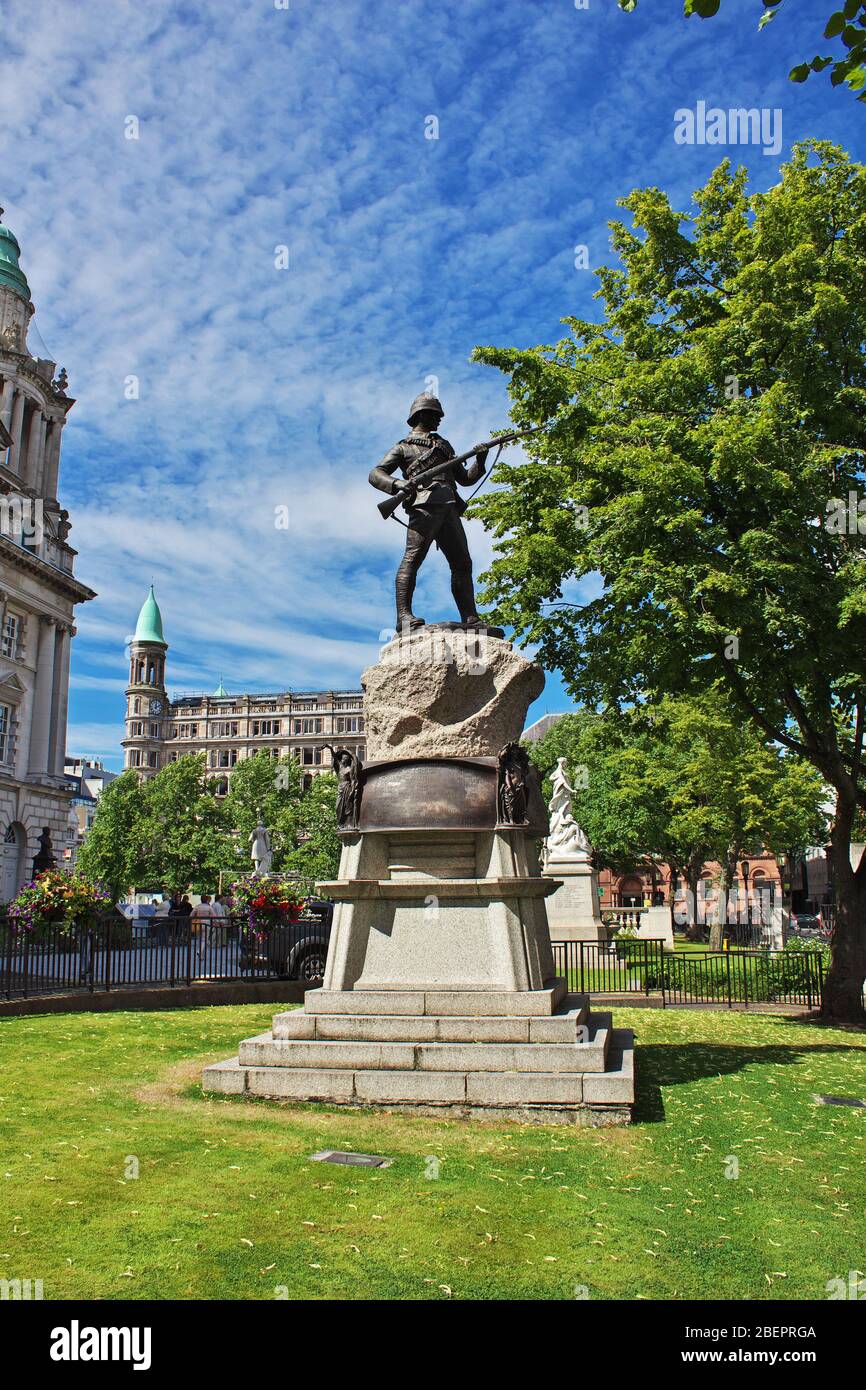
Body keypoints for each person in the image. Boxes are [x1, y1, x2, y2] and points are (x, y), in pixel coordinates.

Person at [368, 393, 489, 630]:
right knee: (413, 558)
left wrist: (480, 460)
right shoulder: (403, 448)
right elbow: (375, 474)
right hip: (424, 506)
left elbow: (465, 480)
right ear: (421, 415)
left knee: (463, 563)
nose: (440, 420)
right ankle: (404, 617)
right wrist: (397, 484)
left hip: (449, 506)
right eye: (436, 415)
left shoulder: (444, 446)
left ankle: (471, 618)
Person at [190, 894, 214, 971]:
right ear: (207, 900)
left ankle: (201, 956)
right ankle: (199, 951)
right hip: (207, 923)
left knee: (199, 939)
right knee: (205, 939)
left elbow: (191, 915)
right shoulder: (209, 907)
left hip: (198, 923)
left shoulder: (197, 906)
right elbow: (214, 916)